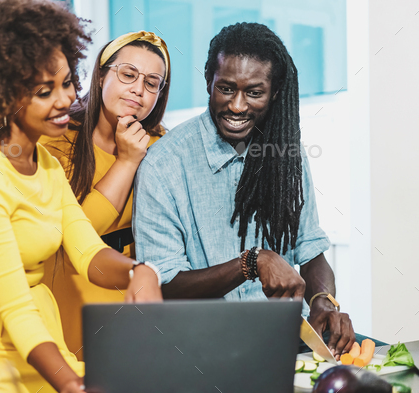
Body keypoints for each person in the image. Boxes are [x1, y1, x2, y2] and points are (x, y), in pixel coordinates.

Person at [0, 1, 162, 392]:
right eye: (43, 91)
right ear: (1, 95)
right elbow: (15, 307)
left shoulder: (46, 165)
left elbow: (87, 252)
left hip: (44, 339)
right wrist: (71, 384)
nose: (64, 100)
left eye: (67, 83)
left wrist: (139, 271)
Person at [133, 22, 368, 361]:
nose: (238, 106)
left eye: (254, 92)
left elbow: (312, 252)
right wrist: (251, 263)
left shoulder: (286, 153)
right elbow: (165, 284)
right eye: (226, 89)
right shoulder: (164, 164)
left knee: (382, 375)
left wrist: (322, 301)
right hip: (207, 347)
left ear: (274, 92)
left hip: (288, 336)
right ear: (208, 82)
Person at [40, 30, 170, 356]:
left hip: (137, 287)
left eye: (152, 83)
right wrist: (126, 161)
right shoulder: (57, 139)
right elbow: (77, 236)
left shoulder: (160, 144)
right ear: (100, 75)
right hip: (74, 286)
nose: (138, 90)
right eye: (128, 75)